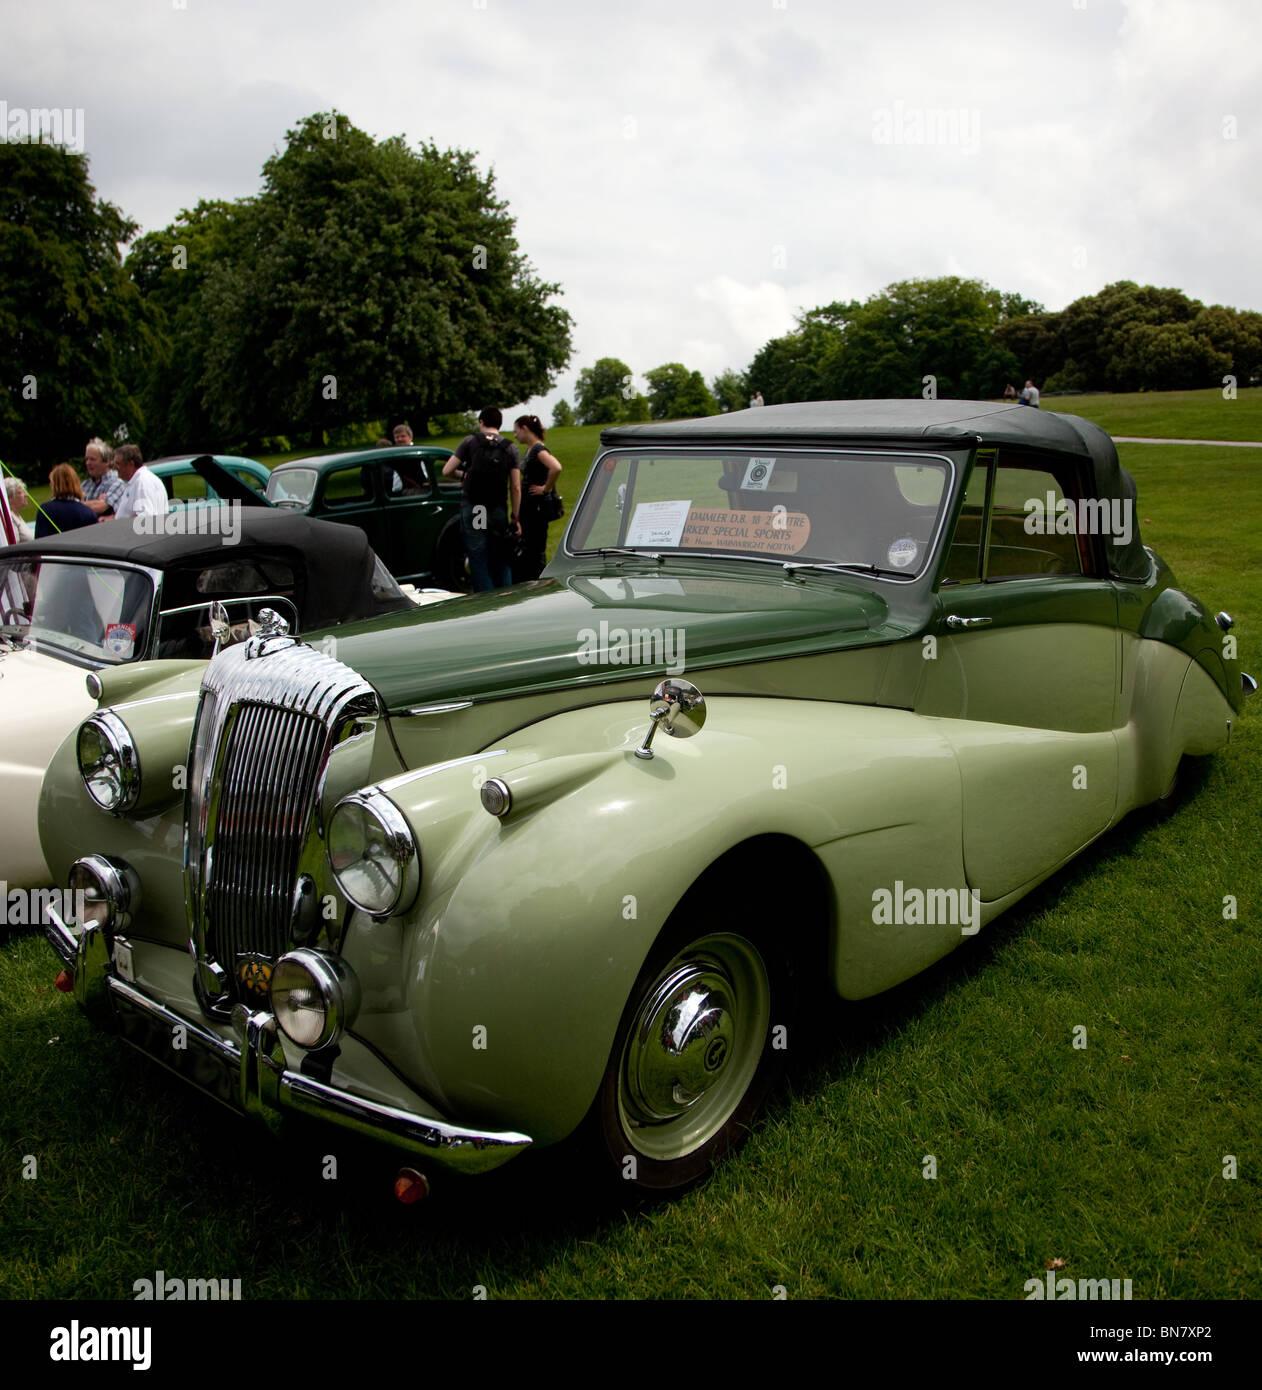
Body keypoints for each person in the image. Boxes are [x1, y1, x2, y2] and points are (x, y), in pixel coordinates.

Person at [442, 408, 521, 591]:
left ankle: (486, 601)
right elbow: (515, 487)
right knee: (501, 556)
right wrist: (515, 516)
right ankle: (507, 596)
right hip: (498, 509)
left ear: (481, 422)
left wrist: (465, 475)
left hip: (477, 509)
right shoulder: (510, 447)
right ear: (500, 424)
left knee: (479, 557)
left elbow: (447, 470)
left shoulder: (470, 442)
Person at [511, 414, 562, 582]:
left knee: (536, 548)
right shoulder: (531, 450)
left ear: (525, 429)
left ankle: (541, 580)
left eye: (516, 431)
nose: (515, 435)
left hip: (537, 510)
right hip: (530, 508)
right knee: (530, 548)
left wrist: (544, 489)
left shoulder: (538, 450)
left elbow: (556, 467)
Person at [35, 464, 97, 537]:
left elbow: (40, 542)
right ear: (76, 483)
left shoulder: (45, 510)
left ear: (53, 484)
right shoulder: (87, 513)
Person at [112, 444, 168, 519]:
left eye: (118, 464)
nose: (115, 468)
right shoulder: (137, 481)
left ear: (130, 464)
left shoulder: (143, 482)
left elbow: (145, 517)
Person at [81, 438, 125, 516]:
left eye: (92, 459)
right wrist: (97, 501)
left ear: (107, 462)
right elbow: (71, 507)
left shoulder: (117, 483)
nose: (88, 463)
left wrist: (81, 504)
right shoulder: (84, 485)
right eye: (86, 459)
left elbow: (99, 508)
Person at [3, 476, 34, 541]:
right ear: (10, 498)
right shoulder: (10, 519)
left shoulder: (16, 516)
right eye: (19, 493)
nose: (26, 495)